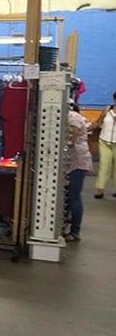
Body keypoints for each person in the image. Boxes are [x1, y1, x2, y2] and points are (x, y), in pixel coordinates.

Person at [65, 100, 92, 242]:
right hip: (74, 162)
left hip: (77, 163)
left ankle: (75, 231)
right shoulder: (75, 117)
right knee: (71, 196)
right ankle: (70, 224)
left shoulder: (73, 118)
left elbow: (71, 141)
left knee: (74, 196)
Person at [93, 90, 116, 198]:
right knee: (104, 165)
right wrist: (86, 129)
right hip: (104, 141)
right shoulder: (107, 109)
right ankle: (100, 189)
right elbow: (98, 122)